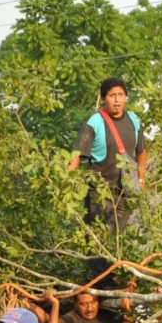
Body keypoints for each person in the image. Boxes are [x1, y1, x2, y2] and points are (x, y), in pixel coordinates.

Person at [67, 77, 148, 237]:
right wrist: (65, 182)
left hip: (125, 192)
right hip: (101, 192)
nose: (117, 100)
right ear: (104, 98)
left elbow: (142, 152)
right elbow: (76, 155)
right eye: (112, 95)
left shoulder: (133, 120)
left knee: (118, 239)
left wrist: (141, 180)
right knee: (99, 239)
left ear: (125, 97)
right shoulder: (95, 122)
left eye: (120, 95)